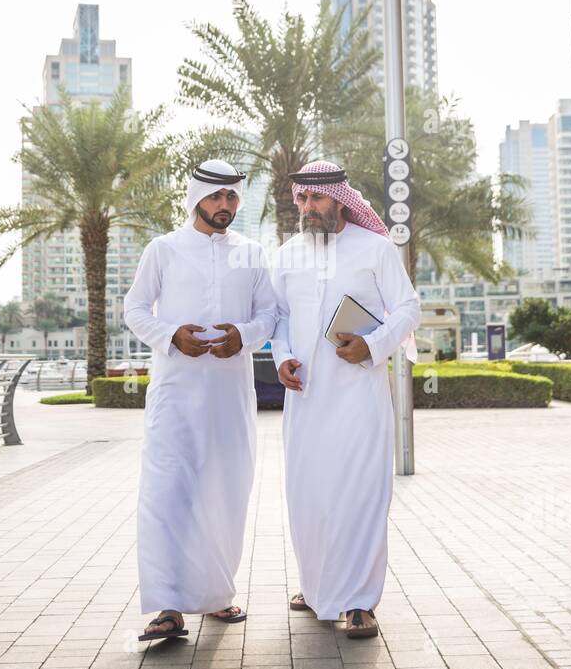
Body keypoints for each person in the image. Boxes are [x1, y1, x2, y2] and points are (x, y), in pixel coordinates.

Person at [123, 160, 278, 642]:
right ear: (195, 199)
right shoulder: (163, 249)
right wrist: (171, 335)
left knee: (225, 491)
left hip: (230, 397)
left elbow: (270, 315)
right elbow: (134, 310)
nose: (225, 205)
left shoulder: (252, 254)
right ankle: (167, 607)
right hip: (174, 394)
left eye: (232, 197)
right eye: (216, 196)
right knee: (167, 493)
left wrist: (243, 336)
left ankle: (217, 595)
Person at [269, 160, 421, 638]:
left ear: (339, 198)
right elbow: (277, 316)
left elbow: (409, 308)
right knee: (308, 494)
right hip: (306, 397)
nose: (308, 207)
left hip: (359, 396)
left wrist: (373, 345)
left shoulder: (375, 248)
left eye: (317, 197)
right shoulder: (287, 254)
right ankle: (317, 588)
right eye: (302, 198)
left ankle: (357, 601)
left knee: (359, 496)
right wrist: (282, 357)